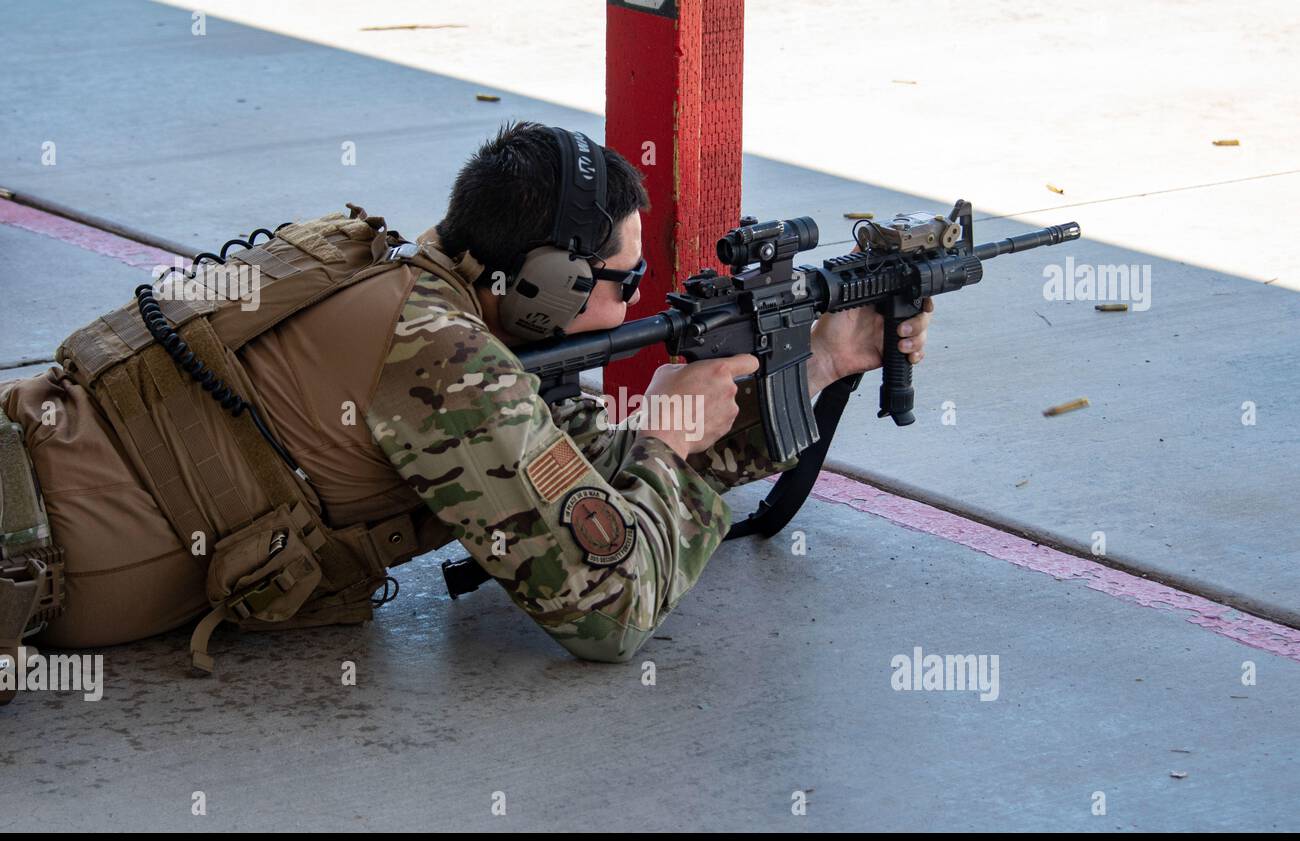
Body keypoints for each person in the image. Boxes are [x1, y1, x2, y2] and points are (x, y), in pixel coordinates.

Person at [0, 121, 931, 700]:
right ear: (544, 281)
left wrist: (824, 363)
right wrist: (660, 435)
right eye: (621, 282)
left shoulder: (412, 286)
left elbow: (580, 476)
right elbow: (607, 609)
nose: (633, 307)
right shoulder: (444, 356)